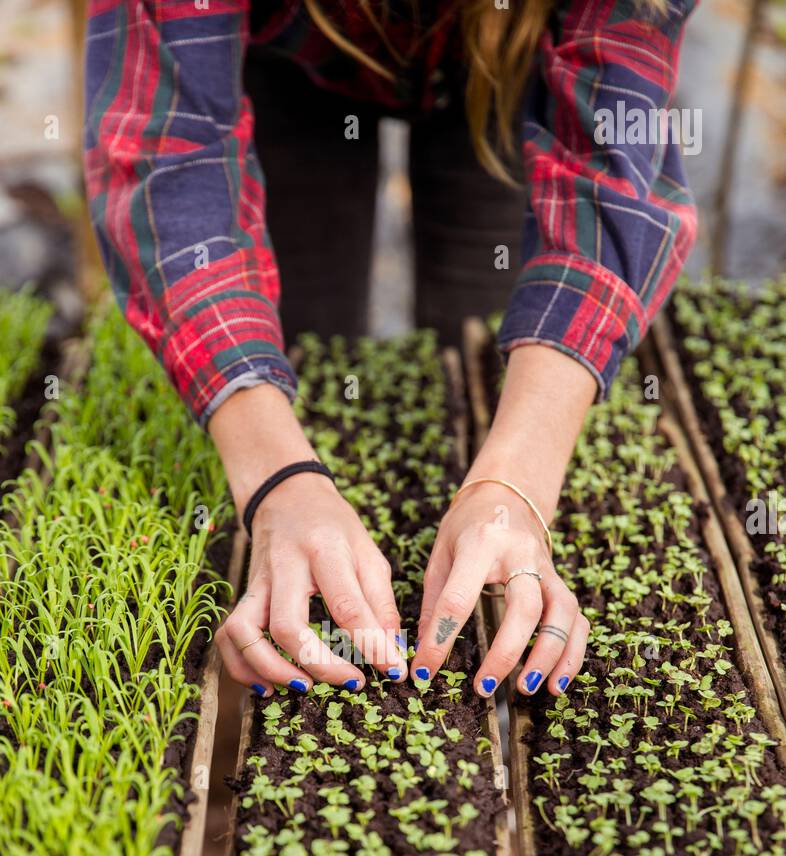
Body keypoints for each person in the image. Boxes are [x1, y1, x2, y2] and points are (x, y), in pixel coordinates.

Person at [83, 0, 697, 698]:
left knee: (479, 346)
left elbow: (607, 171)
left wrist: (514, 484)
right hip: (296, 58)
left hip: (505, 63)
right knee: (309, 346)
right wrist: (280, 481)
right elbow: (171, 150)